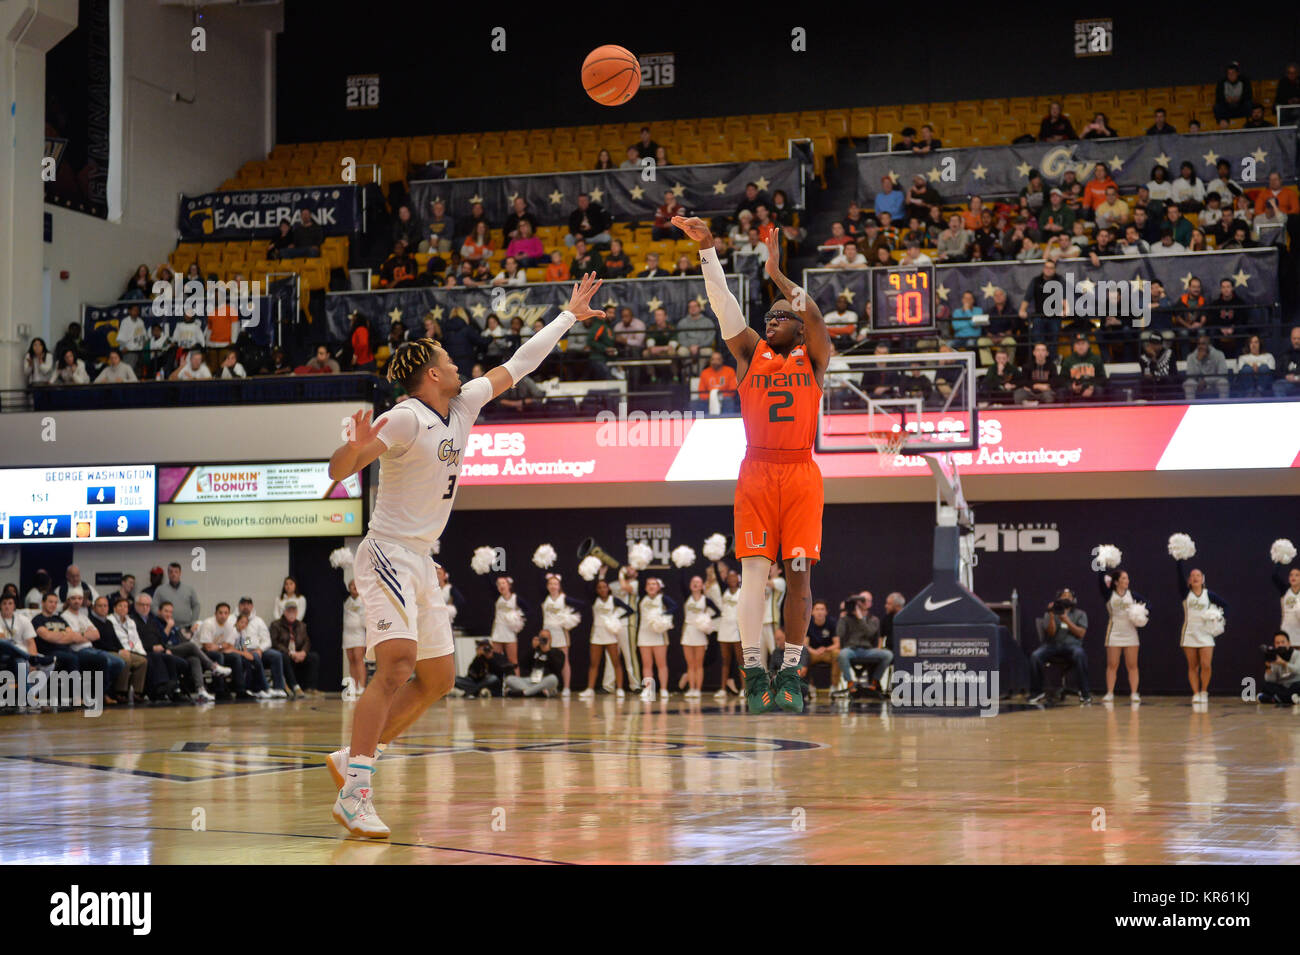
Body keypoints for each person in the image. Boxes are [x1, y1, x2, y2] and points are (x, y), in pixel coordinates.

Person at [322, 273, 606, 837]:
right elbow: (339, 470)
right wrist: (350, 449)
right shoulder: (404, 415)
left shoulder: (465, 405)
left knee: (439, 679)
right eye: (449, 359)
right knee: (398, 664)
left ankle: (351, 754)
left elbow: (520, 363)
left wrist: (569, 315)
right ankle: (356, 790)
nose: (460, 364)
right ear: (431, 372)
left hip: (423, 559)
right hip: (386, 553)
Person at [673, 215, 828, 714]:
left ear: (798, 327)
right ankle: (754, 668)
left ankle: (791, 671)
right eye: (768, 317)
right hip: (757, 471)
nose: (769, 321)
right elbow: (725, 307)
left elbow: (819, 318)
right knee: (754, 575)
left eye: (780, 316)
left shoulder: (815, 356)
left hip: (801, 473)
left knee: (800, 573)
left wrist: (778, 273)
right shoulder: (748, 351)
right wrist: (707, 250)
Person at [1173, 556, 1227, 703]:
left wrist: (1219, 618)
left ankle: (1204, 691)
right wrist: (1179, 560)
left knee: (1206, 665)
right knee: (1193, 666)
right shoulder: (1186, 593)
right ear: (1189, 580)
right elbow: (1179, 575)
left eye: (1198, 575)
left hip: (1206, 634)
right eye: (1192, 576)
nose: (1195, 577)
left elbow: (1225, 606)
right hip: (1189, 633)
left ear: (1203, 579)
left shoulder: (1209, 594)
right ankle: (1196, 693)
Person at [1028, 589, 1092, 704]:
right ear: (1058, 599)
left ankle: (1085, 693)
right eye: (1063, 596)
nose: (1066, 598)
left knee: (1080, 654)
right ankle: (1037, 692)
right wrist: (1052, 616)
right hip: (1053, 645)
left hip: (1072, 647)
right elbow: (1051, 633)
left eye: (1069, 596)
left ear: (1074, 600)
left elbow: (1081, 633)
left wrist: (1066, 620)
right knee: (1035, 656)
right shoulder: (1051, 612)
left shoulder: (1080, 614)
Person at [1097, 566, 1145, 703]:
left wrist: (1140, 615)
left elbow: (1149, 605)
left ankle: (1134, 693)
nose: (1127, 580)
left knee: (1132, 665)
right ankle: (1110, 693)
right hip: (1114, 633)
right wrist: (1103, 563)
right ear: (1116, 582)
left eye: (1127, 578)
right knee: (1112, 665)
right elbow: (1100, 579)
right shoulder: (1109, 595)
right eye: (1124, 578)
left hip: (1130, 633)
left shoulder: (1133, 595)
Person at [580, 576, 632, 700]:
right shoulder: (594, 600)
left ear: (608, 588)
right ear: (597, 590)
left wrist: (616, 618)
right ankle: (590, 689)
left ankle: (619, 689)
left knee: (616, 663)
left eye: (604, 587)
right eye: (599, 587)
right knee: (594, 664)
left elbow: (630, 610)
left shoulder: (614, 600)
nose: (602, 589)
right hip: (597, 634)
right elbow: (587, 587)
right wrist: (600, 576)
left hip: (610, 634)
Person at [540, 573, 584, 698]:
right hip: (547, 632)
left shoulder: (564, 599)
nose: (553, 586)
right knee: (546, 660)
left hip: (560, 632)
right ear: (547, 586)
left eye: (555, 584)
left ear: (559, 586)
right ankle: (548, 687)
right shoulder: (545, 598)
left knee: (564, 661)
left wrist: (567, 617)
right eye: (550, 584)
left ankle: (566, 687)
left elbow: (582, 604)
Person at [835, 594, 889, 695]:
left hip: (867, 650)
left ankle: (875, 681)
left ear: (869, 604)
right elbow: (840, 634)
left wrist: (860, 618)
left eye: (863, 601)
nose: (860, 604)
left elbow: (870, 632)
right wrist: (842, 617)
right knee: (842, 654)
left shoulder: (874, 620)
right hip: (851, 649)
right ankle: (850, 683)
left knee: (888, 655)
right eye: (858, 602)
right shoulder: (846, 618)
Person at [635, 577, 678, 701]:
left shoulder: (663, 598)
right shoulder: (642, 599)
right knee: (646, 664)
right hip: (644, 634)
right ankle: (648, 689)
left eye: (654, 584)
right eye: (649, 584)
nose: (651, 586)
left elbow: (675, 607)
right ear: (645, 587)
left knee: (661, 664)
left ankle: (663, 689)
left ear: (659, 587)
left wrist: (662, 615)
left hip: (659, 635)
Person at [270, 602, 318, 698]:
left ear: (296, 613)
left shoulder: (301, 625)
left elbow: (306, 641)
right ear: (284, 612)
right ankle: (294, 686)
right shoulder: (276, 624)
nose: (291, 613)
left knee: (314, 657)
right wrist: (291, 653)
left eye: (293, 611)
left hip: (298, 653)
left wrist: (303, 653)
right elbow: (274, 643)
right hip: (285, 653)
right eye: (289, 611)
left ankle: (310, 688)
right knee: (283, 657)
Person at [504, 631, 563, 697]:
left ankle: (524, 693)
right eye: (541, 638)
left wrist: (548, 652)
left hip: (545, 680)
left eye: (545, 638)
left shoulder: (557, 652)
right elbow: (523, 664)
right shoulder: (534, 651)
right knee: (509, 679)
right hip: (531, 680)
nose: (543, 640)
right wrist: (532, 649)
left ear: (550, 639)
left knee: (553, 679)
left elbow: (557, 669)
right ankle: (538, 693)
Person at [1258, 632, 1300, 705]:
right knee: (1266, 685)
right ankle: (1289, 698)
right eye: (1277, 643)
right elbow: (1271, 680)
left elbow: (1298, 670)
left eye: (1283, 642)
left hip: (1295, 684)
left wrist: (1283, 663)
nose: (1280, 645)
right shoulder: (1274, 656)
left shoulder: (1297, 654)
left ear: (1289, 643)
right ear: (1275, 645)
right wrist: (1268, 667)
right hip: (1282, 687)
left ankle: (1272, 699)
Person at [342, 578, 366, 695]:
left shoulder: (363, 601)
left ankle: (361, 686)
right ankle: (354, 685)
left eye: (356, 585)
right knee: (351, 660)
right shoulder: (347, 602)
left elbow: (365, 618)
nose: (354, 587)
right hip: (348, 634)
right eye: (352, 585)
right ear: (349, 587)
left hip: (359, 634)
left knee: (358, 659)